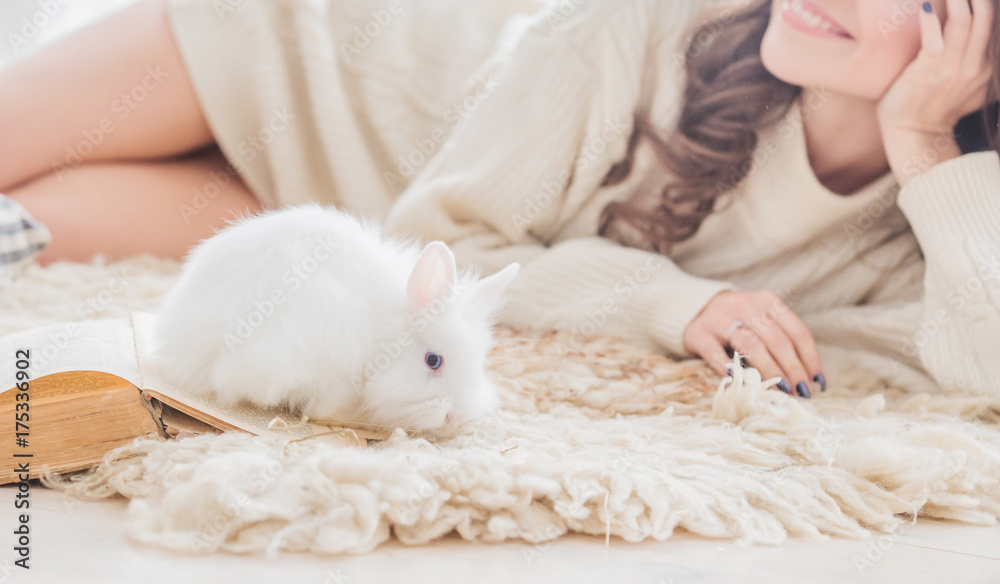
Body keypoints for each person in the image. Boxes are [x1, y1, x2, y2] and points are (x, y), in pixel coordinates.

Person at [3, 0, 998, 398]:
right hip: (331, 57)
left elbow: (977, 373)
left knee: (30, 237)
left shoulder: (942, 214)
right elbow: (446, 238)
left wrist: (924, 147)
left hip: (335, 227)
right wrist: (671, 301)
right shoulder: (646, 25)